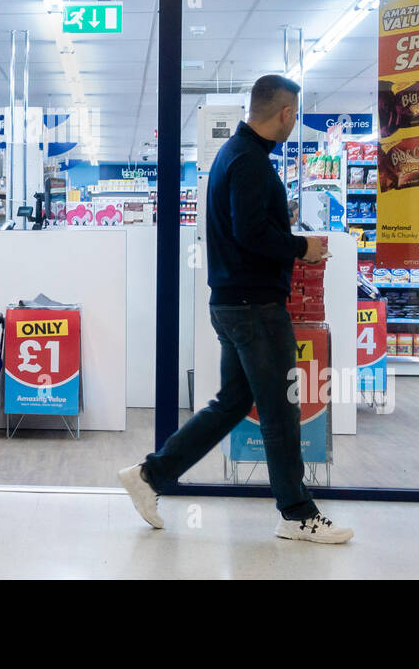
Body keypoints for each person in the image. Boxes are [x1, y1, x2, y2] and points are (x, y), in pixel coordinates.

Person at [119, 75, 355, 544]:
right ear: (286, 112)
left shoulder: (237, 155)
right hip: (254, 307)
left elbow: (246, 229)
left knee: (232, 403)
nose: (293, 124)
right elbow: (252, 235)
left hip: (234, 303)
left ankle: (150, 475)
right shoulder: (248, 162)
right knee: (280, 411)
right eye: (295, 116)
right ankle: (297, 514)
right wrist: (301, 246)